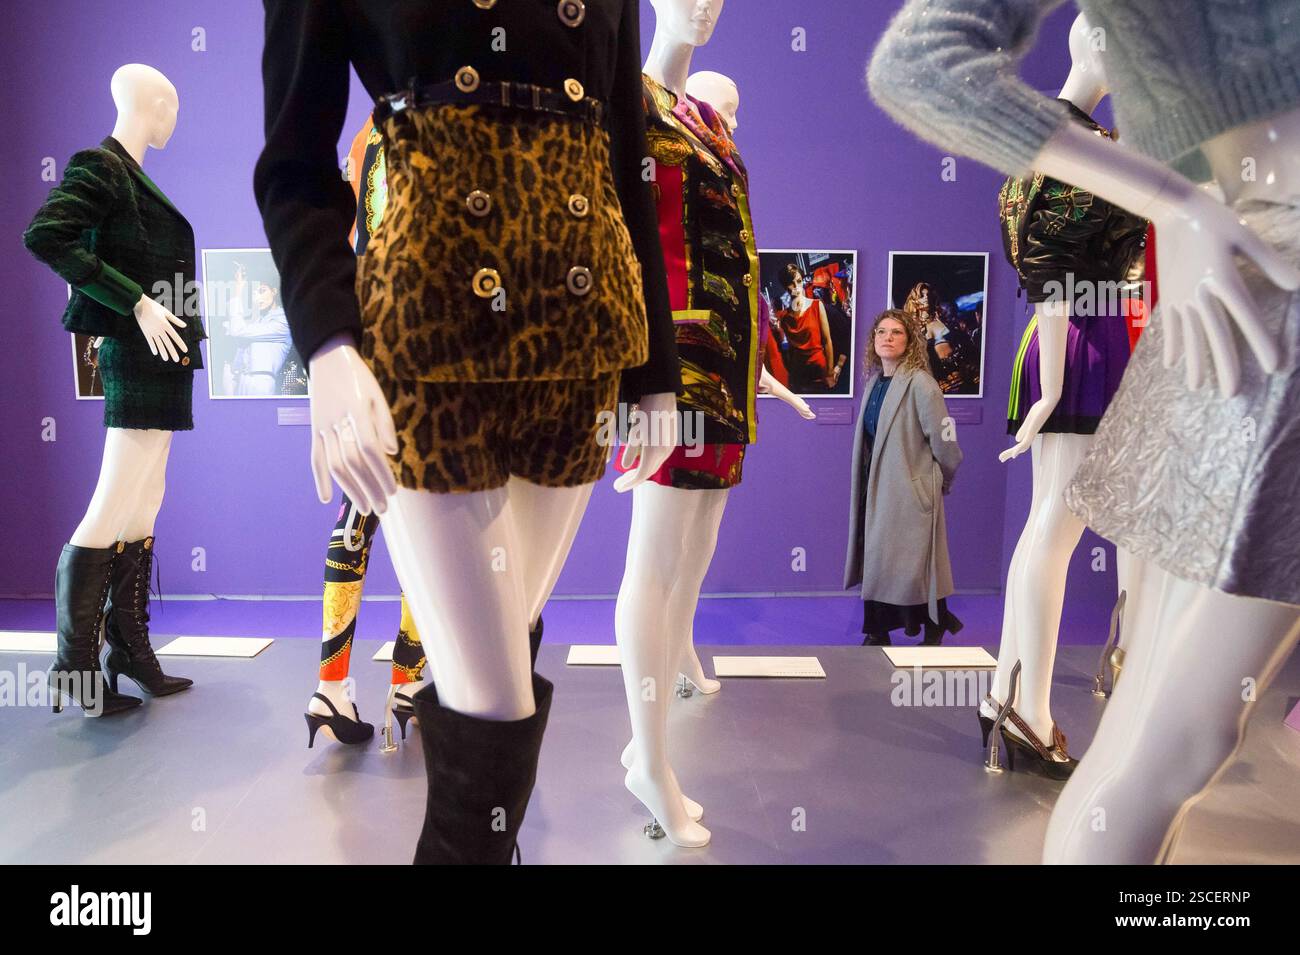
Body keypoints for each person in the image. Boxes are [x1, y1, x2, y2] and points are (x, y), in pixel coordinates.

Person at [843, 310, 963, 646]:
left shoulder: (922, 385)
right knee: (882, 561)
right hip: (878, 489)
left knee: (916, 567)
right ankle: (879, 629)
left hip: (911, 492)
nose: (887, 338)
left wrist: (938, 482)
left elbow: (947, 444)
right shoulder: (874, 384)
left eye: (896, 332)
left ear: (910, 341)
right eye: (881, 331)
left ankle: (931, 626)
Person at [777, 264, 839, 393]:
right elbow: (789, 350)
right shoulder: (783, 317)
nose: (796, 287)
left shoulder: (816, 306)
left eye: (798, 281)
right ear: (785, 286)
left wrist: (830, 372)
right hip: (799, 375)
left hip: (820, 371)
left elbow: (827, 341)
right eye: (791, 283)